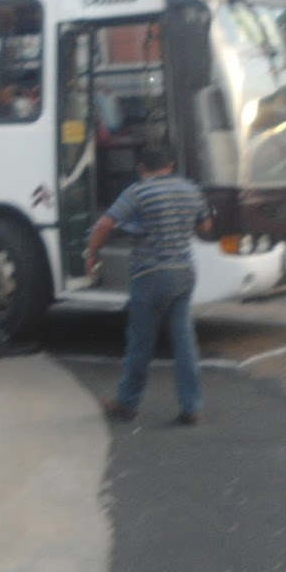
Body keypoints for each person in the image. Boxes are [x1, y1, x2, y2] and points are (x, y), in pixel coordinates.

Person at [85, 144, 213, 426]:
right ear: (170, 166)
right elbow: (205, 226)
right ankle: (192, 407)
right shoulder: (191, 189)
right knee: (184, 343)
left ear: (141, 168)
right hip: (184, 272)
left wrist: (92, 253)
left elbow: (104, 224)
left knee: (141, 342)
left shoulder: (138, 192)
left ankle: (127, 404)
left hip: (150, 274)